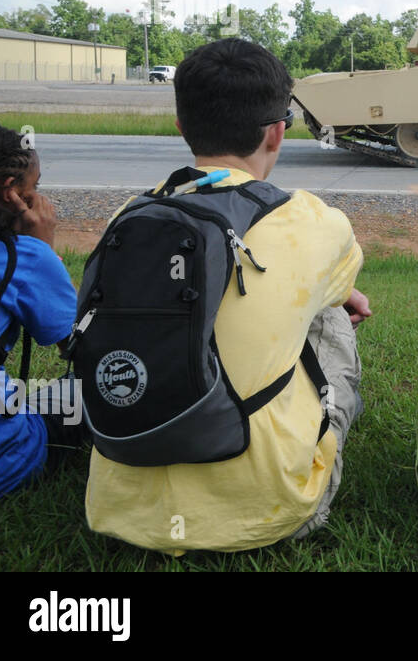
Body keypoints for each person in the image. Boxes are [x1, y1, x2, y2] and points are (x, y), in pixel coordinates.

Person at [84, 38, 370, 552]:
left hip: (119, 515)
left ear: (181, 127)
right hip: (272, 515)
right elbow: (344, 290)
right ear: (277, 132)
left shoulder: (127, 217)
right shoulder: (314, 220)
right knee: (330, 313)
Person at [0, 120, 81, 502]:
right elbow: (78, 344)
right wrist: (43, 249)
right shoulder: (15, 258)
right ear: (9, 192)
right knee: (79, 394)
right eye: (33, 189)